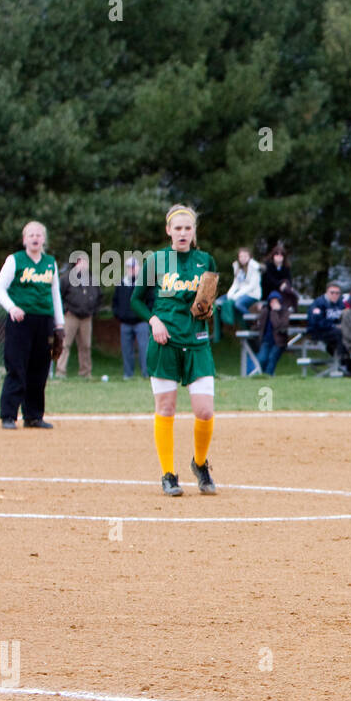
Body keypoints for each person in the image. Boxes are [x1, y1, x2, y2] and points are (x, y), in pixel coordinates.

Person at [125, 204, 220, 496]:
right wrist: (154, 321)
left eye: (187, 228)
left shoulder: (206, 260)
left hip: (197, 342)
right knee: (166, 407)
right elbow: (136, 300)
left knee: (204, 411)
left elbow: (208, 304)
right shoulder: (156, 260)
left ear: (194, 232)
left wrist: (208, 308)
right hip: (165, 341)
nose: (182, 233)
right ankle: (168, 474)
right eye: (177, 228)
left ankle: (200, 463)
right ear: (168, 231)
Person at [0, 220, 65, 429]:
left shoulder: (50, 262)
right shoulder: (15, 260)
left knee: (40, 369)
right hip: (20, 320)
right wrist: (11, 307)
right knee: (17, 367)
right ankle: (8, 415)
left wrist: (59, 324)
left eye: (39, 235)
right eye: (31, 235)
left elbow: (55, 295)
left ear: (44, 240)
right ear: (24, 240)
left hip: (44, 320)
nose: (35, 238)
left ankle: (33, 415)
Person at [56, 253, 102, 379]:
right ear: (76, 263)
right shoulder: (66, 279)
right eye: (82, 262)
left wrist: (93, 311)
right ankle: (60, 371)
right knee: (65, 344)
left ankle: (85, 373)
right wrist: (65, 310)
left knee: (86, 346)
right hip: (71, 316)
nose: (84, 265)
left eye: (86, 262)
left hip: (87, 318)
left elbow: (99, 297)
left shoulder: (92, 279)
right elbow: (58, 295)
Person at [112, 256, 151, 379]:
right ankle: (128, 374)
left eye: (134, 267)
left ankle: (146, 373)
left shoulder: (144, 283)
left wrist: (147, 316)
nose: (132, 270)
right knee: (126, 350)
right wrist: (119, 314)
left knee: (144, 348)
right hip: (125, 322)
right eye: (129, 267)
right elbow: (115, 302)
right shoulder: (122, 283)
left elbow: (151, 301)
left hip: (141, 322)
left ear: (138, 268)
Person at [254, 280, 298, 376]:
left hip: (278, 341)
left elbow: (278, 325)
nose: (273, 303)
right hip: (266, 340)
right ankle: (262, 376)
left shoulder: (284, 312)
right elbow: (259, 324)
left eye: (276, 301)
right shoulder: (265, 311)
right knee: (261, 359)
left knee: (272, 358)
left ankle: (268, 377)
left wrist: (275, 312)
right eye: (272, 301)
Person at [307, 282, 347, 372]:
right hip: (319, 332)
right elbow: (316, 322)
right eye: (332, 292)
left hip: (335, 332)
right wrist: (333, 325)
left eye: (337, 293)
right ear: (327, 292)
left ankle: (346, 363)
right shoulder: (318, 303)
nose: (335, 295)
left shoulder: (340, 304)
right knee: (340, 334)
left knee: (346, 333)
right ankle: (343, 360)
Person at [225, 247, 263, 314]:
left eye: (245, 256)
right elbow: (236, 283)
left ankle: (250, 321)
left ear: (250, 257)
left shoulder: (254, 267)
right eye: (241, 256)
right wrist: (230, 294)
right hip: (240, 292)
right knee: (219, 302)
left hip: (252, 294)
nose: (243, 258)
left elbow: (251, 286)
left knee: (238, 304)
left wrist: (236, 295)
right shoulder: (237, 266)